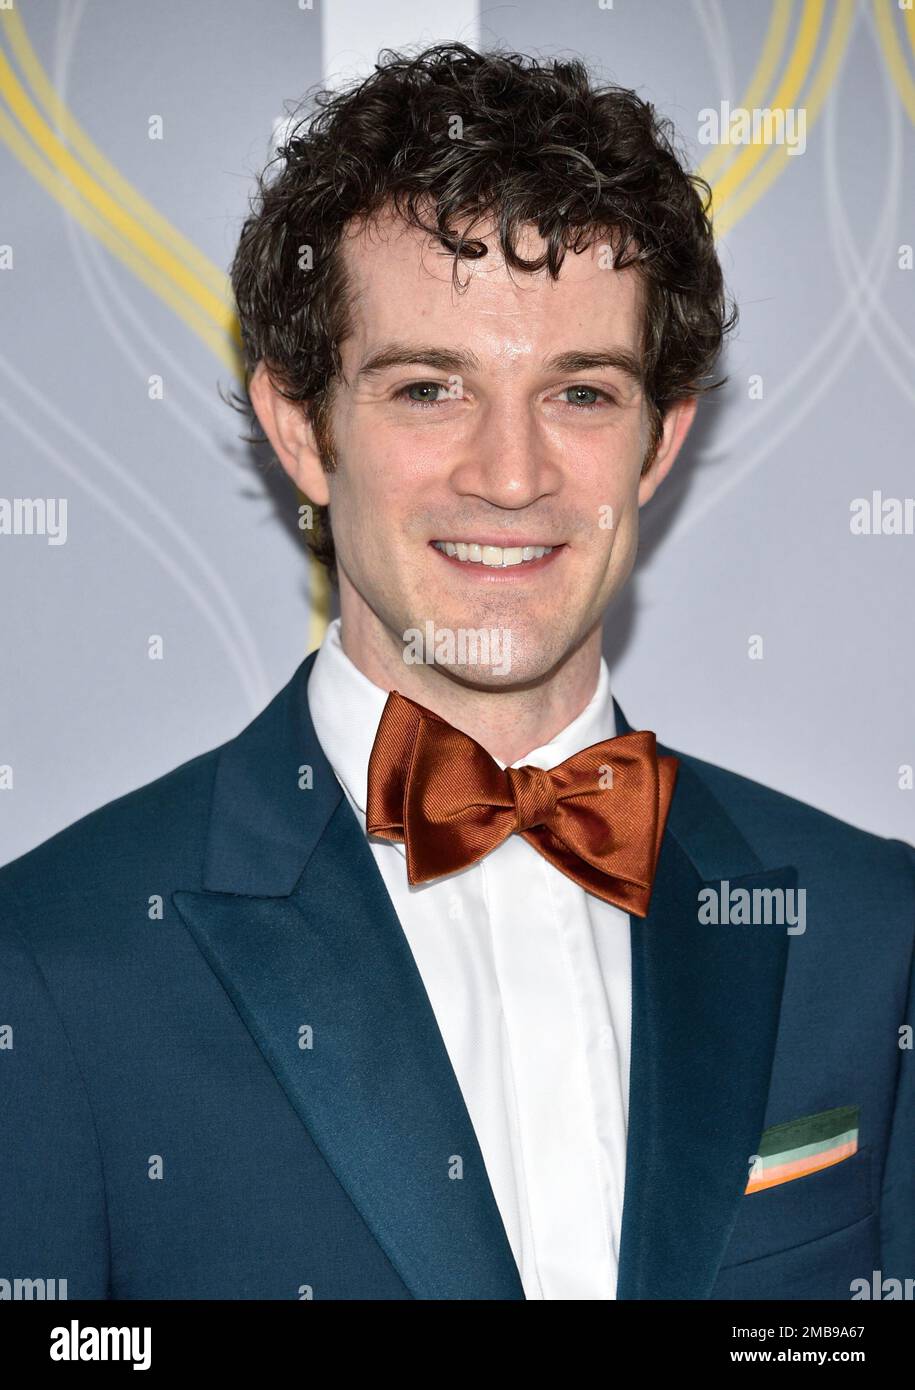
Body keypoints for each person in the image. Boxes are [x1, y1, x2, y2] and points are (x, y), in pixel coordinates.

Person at [1, 42, 912, 1302]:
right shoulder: (51, 960)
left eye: (581, 394)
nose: (513, 473)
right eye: (430, 387)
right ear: (300, 428)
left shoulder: (872, 936)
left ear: (661, 441)